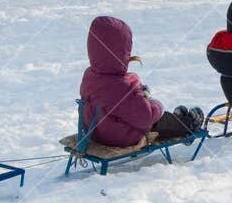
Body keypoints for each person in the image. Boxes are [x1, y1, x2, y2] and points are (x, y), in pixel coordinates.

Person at [79, 16, 205, 147]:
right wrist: (154, 103)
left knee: (137, 109)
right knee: (156, 121)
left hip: (95, 132)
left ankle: (177, 120)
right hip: (120, 137)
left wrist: (137, 95)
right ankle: (187, 124)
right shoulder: (121, 86)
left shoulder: (90, 76)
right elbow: (146, 117)